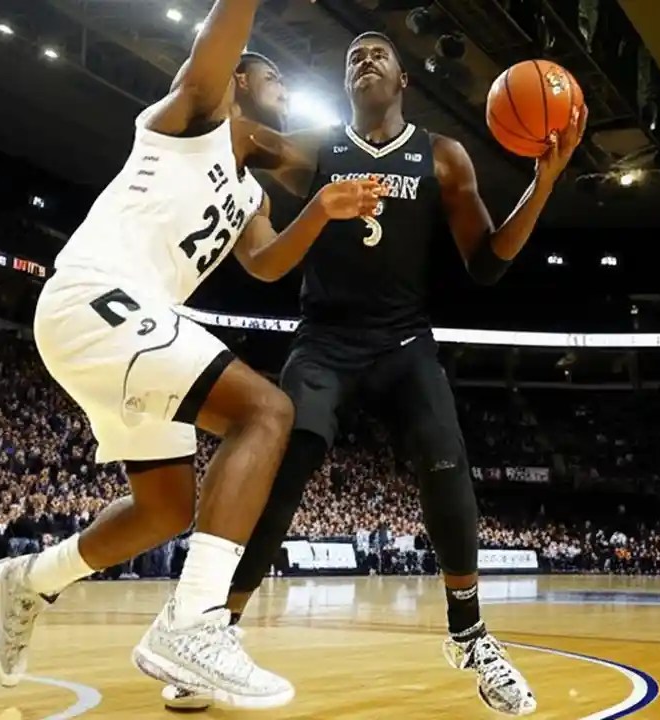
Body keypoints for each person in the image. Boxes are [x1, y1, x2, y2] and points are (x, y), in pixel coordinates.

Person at [163, 32, 586, 714]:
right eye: (353, 53)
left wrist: (542, 185)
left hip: (403, 341)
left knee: (445, 458)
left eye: (378, 53)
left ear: (403, 81)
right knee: (284, 467)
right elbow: (238, 137)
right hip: (325, 340)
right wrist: (223, 107)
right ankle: (214, 632)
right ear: (345, 85)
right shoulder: (315, 148)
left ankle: (470, 633)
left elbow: (487, 263)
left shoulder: (443, 158)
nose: (363, 57)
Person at [0, 0, 383, 710]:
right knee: (266, 411)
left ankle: (30, 579)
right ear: (242, 79)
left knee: (164, 510)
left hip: (131, 326)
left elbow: (262, 265)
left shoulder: (250, 190)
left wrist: (319, 210)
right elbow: (216, 44)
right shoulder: (191, 119)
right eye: (276, 84)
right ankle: (195, 624)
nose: (286, 96)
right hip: (96, 299)